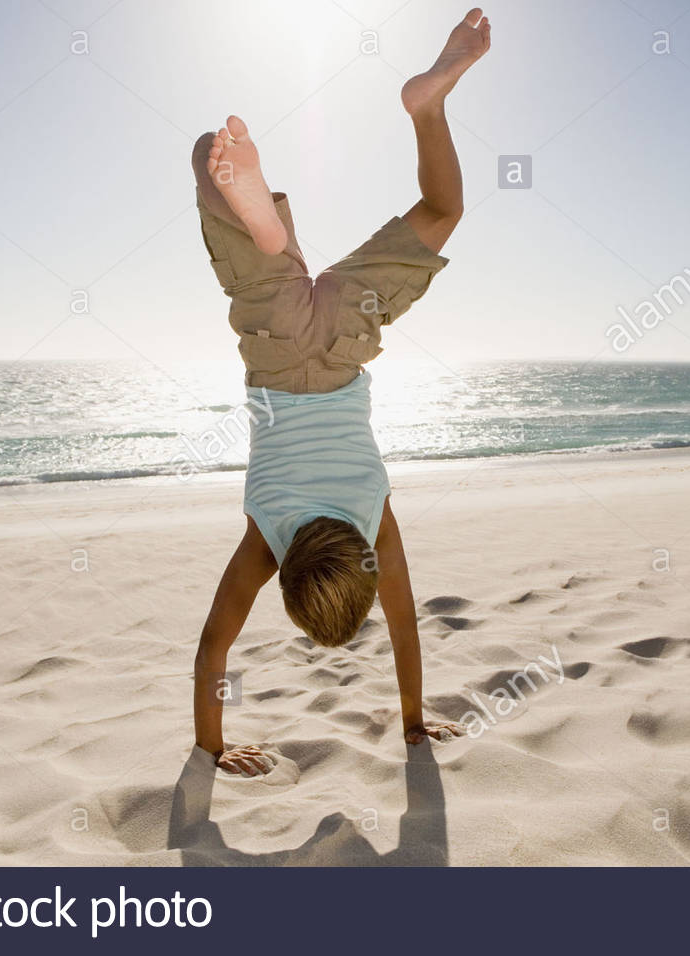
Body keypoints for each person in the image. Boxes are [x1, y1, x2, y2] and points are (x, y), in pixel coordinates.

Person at [191, 9, 492, 776]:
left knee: (443, 212)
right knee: (204, 154)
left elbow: (404, 633)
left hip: (347, 337)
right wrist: (212, 745)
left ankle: (428, 108)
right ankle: (261, 229)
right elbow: (213, 646)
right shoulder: (267, 537)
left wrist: (416, 723)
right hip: (275, 342)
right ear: (289, 574)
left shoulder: (373, 522)